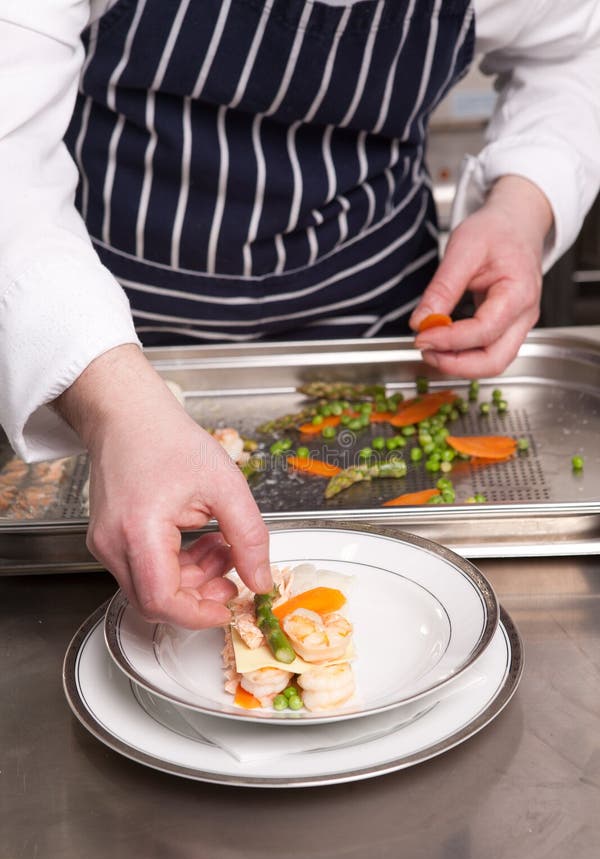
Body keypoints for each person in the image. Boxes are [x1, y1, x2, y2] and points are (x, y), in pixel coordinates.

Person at [1, 0, 599, 629]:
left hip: (379, 313)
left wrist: (523, 204)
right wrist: (113, 402)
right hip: (101, 327)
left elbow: (570, 53)